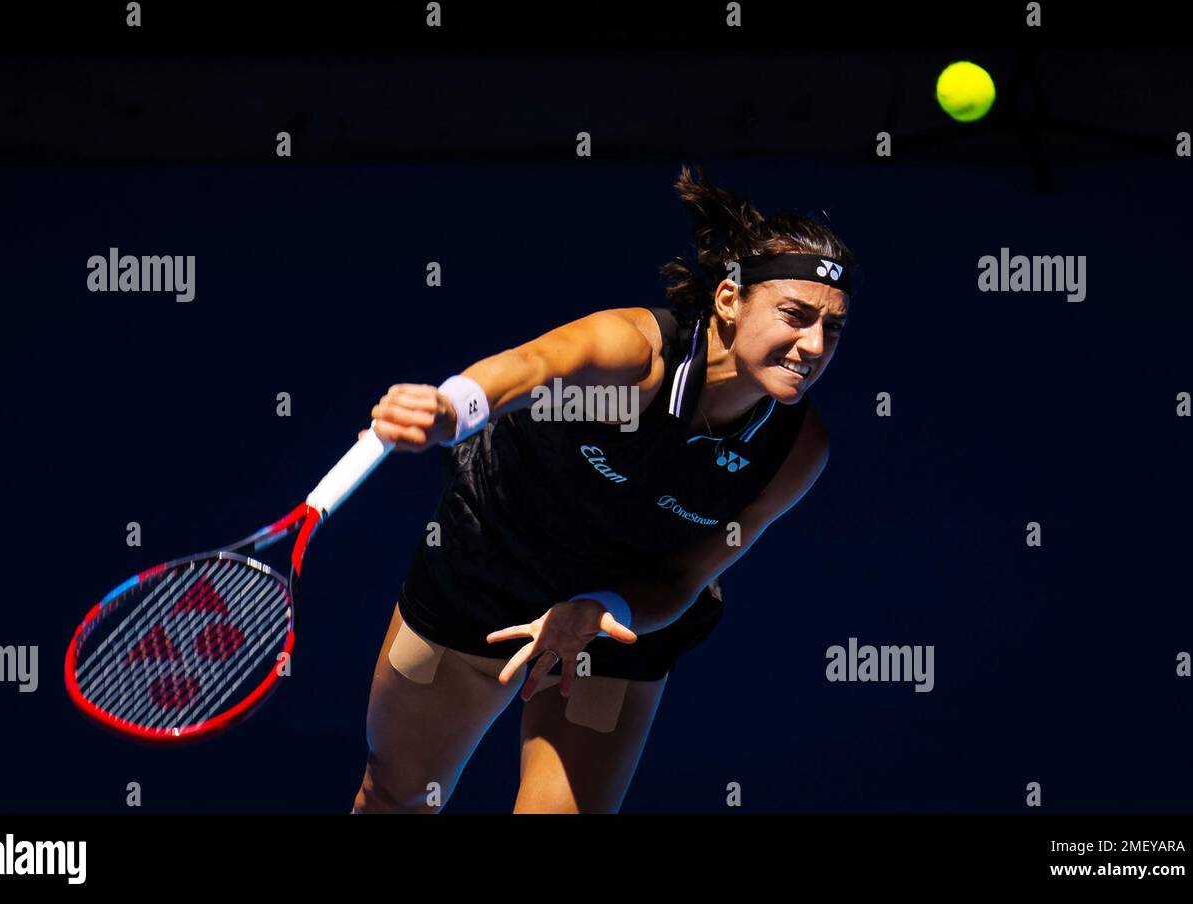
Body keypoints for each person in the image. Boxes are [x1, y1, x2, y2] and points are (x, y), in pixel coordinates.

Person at [351, 165, 855, 813]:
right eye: (795, 315)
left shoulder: (796, 451)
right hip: (488, 570)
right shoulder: (634, 355)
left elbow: (685, 581)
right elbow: (528, 369)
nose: (813, 344)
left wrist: (598, 608)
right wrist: (448, 410)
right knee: (396, 797)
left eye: (833, 328)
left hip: (615, 620)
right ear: (729, 299)